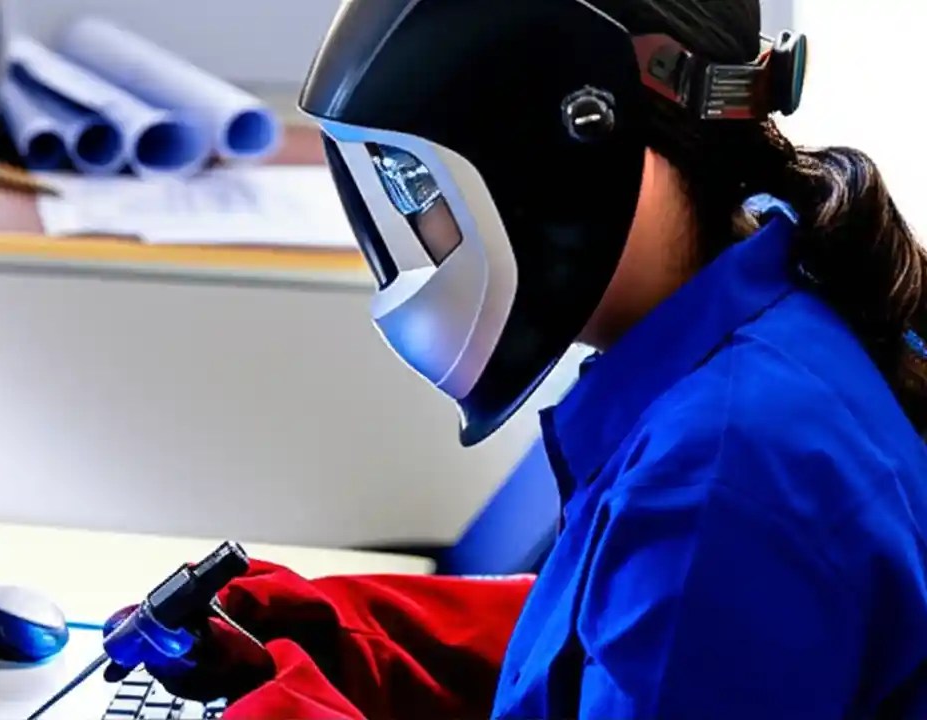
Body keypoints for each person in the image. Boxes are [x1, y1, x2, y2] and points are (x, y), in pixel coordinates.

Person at [106, 0, 927, 717]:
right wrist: (338, 631)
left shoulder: (725, 471)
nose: (416, 225)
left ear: (569, 129)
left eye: (412, 182)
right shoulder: (754, 336)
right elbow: (600, 658)